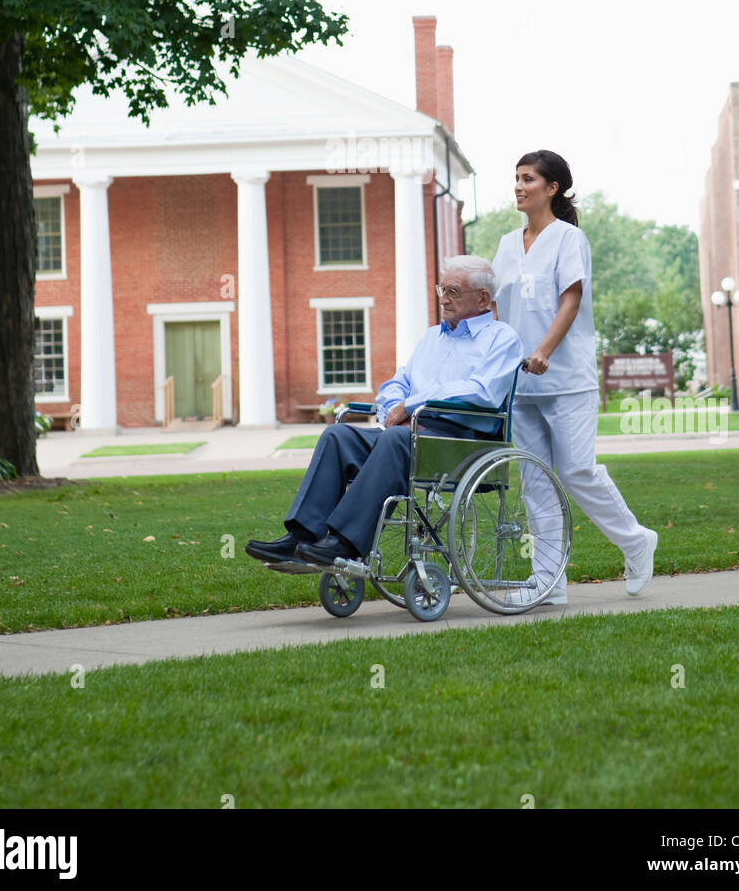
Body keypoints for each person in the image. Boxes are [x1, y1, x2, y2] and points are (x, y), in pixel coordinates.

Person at [245, 256, 523, 569]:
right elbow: (397, 382)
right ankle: (304, 536)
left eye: (453, 291)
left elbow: (482, 392)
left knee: (395, 439)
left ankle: (345, 543)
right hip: (410, 432)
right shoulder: (433, 337)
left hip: (461, 441)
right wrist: (393, 407)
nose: (443, 298)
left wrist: (414, 405)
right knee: (338, 435)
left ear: (483, 298)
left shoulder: (502, 339)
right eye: (441, 289)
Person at [491, 150, 658, 604]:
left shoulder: (568, 239)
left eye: (529, 179)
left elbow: (571, 299)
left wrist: (544, 350)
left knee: (577, 470)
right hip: (521, 384)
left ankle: (636, 541)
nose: (519, 186)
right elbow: (495, 305)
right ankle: (548, 583)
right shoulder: (507, 244)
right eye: (517, 178)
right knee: (535, 480)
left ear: (553, 188)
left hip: (567, 379)